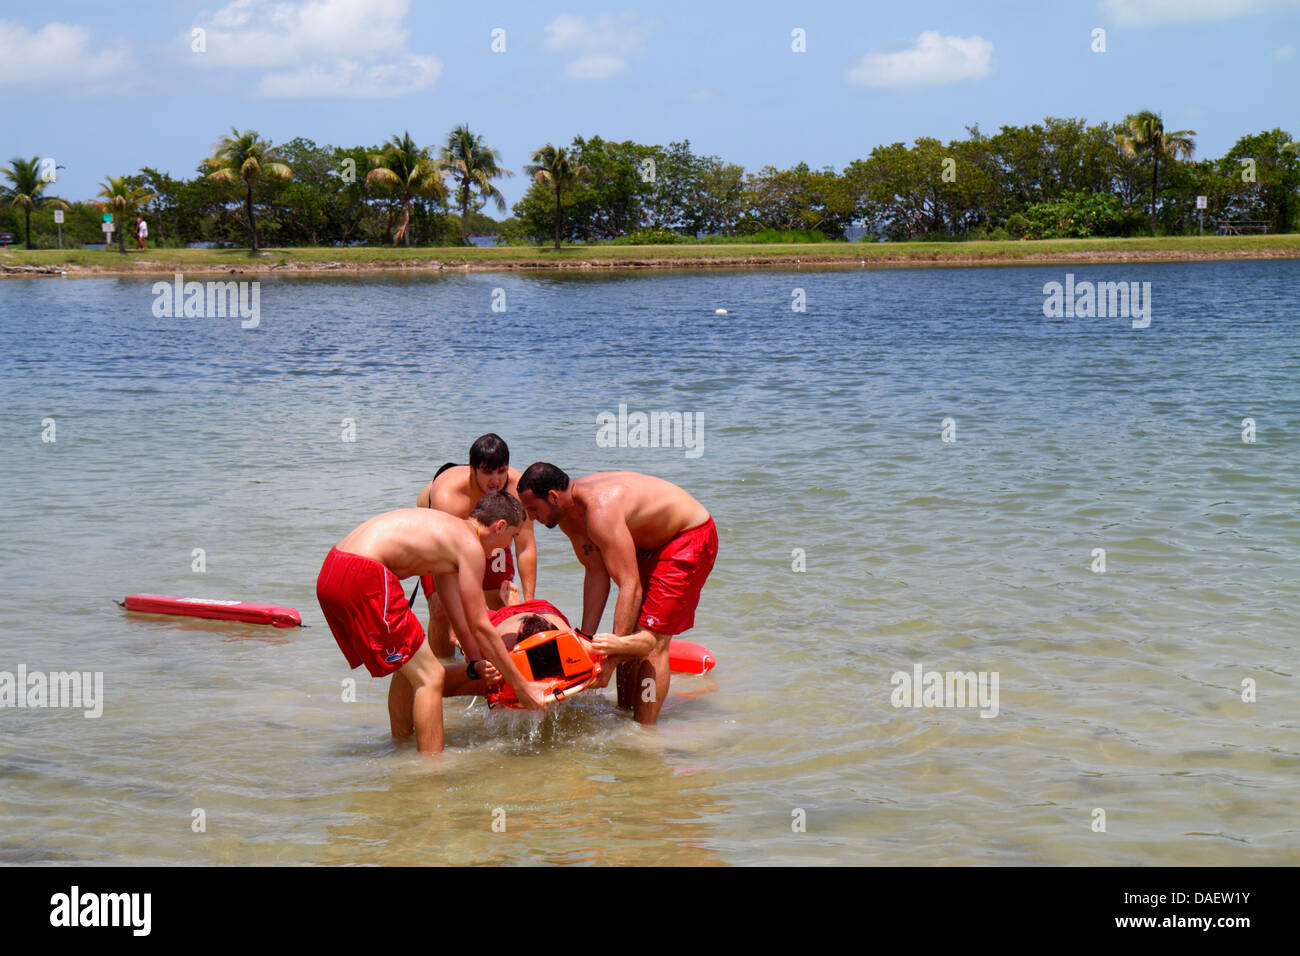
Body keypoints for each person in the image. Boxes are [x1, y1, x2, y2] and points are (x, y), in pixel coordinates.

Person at [316, 492, 548, 754]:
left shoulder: (449, 535)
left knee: (409, 664)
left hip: (332, 570)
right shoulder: (469, 546)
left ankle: (400, 744)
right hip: (363, 573)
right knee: (432, 677)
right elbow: (481, 624)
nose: (506, 547)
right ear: (500, 526)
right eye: (512, 538)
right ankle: (430, 772)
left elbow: (458, 615)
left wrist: (474, 662)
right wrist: (521, 685)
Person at [515, 464, 718, 725]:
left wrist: (609, 660)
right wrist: (584, 641)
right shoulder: (567, 515)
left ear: (554, 497)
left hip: (685, 538)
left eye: (533, 509)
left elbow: (629, 584)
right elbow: (596, 572)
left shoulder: (599, 511)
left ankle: (644, 733)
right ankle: (624, 716)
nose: (530, 518)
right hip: (646, 544)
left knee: (651, 643)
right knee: (625, 634)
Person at [415, 434, 537, 657]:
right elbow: (447, 566)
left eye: (501, 471)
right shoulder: (449, 497)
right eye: (488, 472)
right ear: (472, 470)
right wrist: (455, 622)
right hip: (440, 536)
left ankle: (500, 665)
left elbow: (525, 547)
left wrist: (528, 608)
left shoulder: (515, 490)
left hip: (490, 533)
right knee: (441, 610)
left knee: (500, 598)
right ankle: (447, 669)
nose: (496, 480)